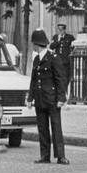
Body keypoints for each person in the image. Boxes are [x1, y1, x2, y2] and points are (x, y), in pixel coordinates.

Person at [28, 29, 68, 165]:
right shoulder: (37, 59)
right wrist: (30, 98)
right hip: (40, 99)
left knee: (56, 127)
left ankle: (60, 156)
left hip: (52, 99)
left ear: (37, 44)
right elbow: (33, 80)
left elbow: (60, 79)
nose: (33, 46)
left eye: (34, 43)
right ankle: (44, 155)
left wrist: (61, 98)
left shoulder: (53, 58)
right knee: (42, 128)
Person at [53, 23, 76, 98]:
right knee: (58, 78)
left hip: (66, 62)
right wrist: (58, 40)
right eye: (59, 30)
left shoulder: (70, 37)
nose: (60, 31)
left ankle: (64, 92)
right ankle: (60, 94)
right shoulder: (56, 37)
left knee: (66, 78)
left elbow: (73, 47)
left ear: (64, 30)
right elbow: (51, 46)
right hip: (57, 62)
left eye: (61, 30)